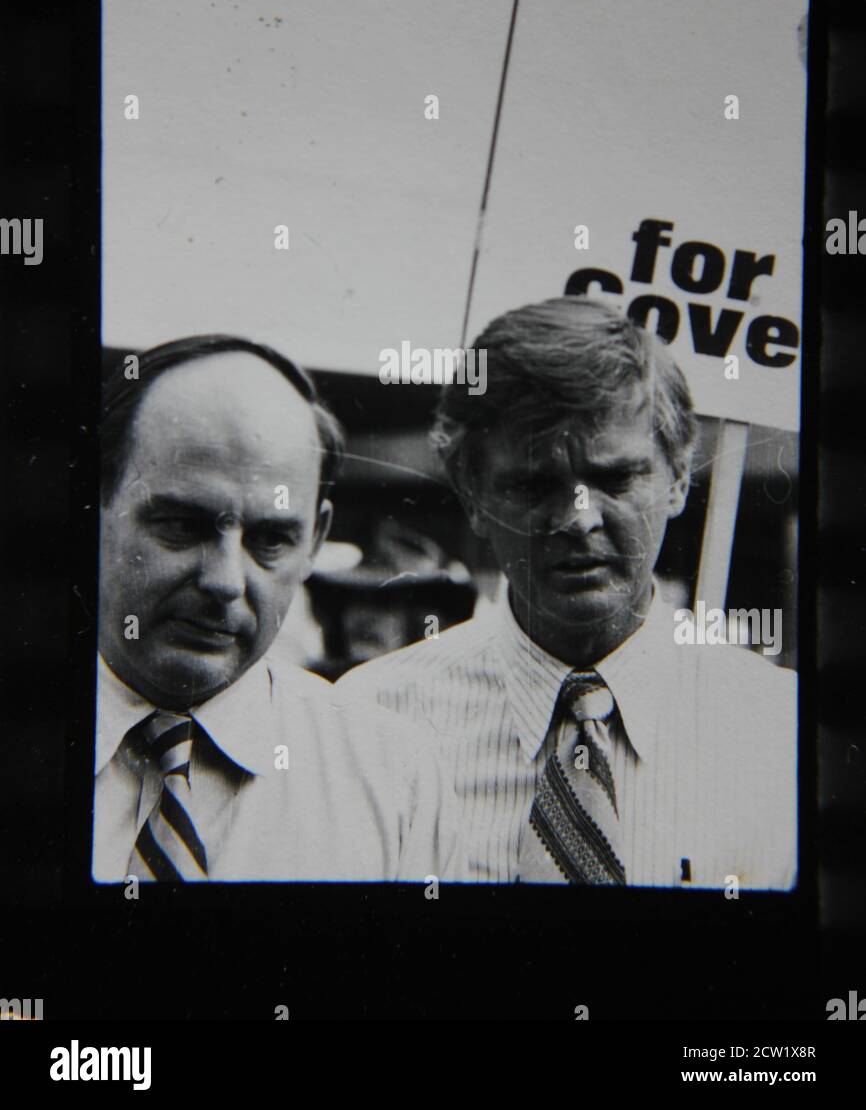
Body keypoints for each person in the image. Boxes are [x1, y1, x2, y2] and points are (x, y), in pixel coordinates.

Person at [338, 297, 796, 888]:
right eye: (534, 484)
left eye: (614, 478)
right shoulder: (372, 722)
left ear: (679, 475)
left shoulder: (781, 732)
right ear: (472, 496)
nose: (579, 519)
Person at [94, 334, 464, 883]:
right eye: (181, 525)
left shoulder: (395, 781)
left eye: (270, 540)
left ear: (316, 539)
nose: (223, 581)